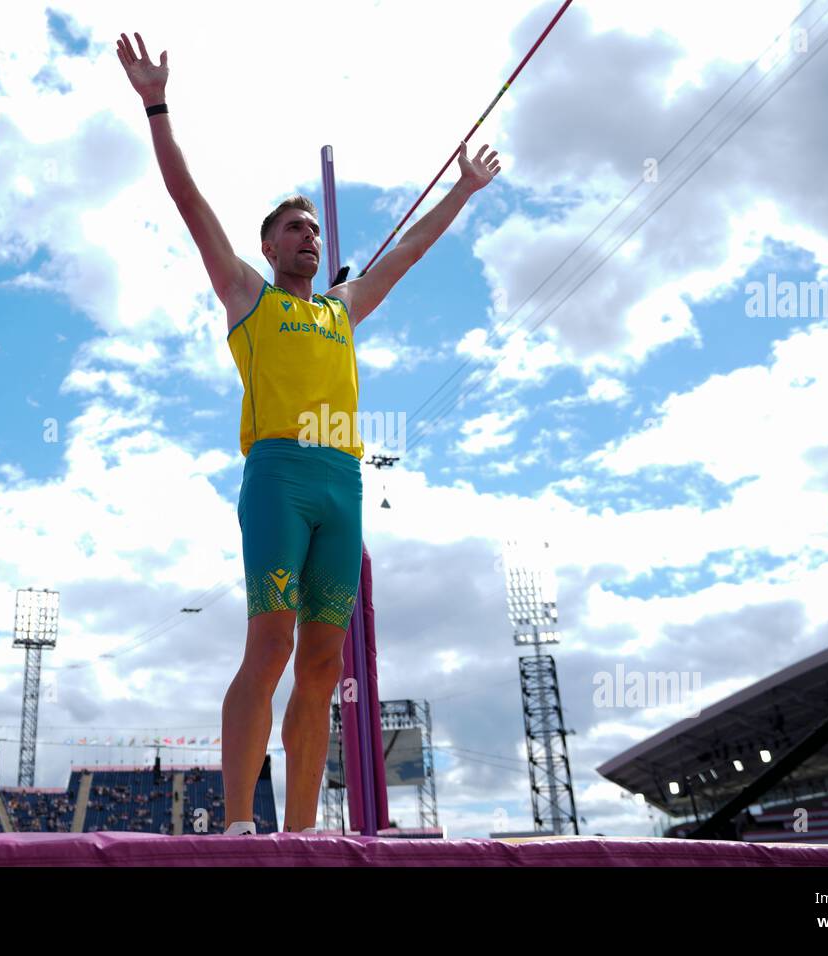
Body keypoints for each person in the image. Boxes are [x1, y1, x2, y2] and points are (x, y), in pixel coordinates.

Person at [116, 30, 500, 834]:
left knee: (324, 664)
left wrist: (463, 191)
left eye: (313, 231)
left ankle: (299, 833)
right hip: (280, 477)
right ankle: (235, 823)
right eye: (293, 228)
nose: (308, 237)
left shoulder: (342, 309)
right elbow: (190, 203)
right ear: (268, 246)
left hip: (344, 484)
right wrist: (156, 107)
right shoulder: (249, 297)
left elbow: (410, 256)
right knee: (273, 645)